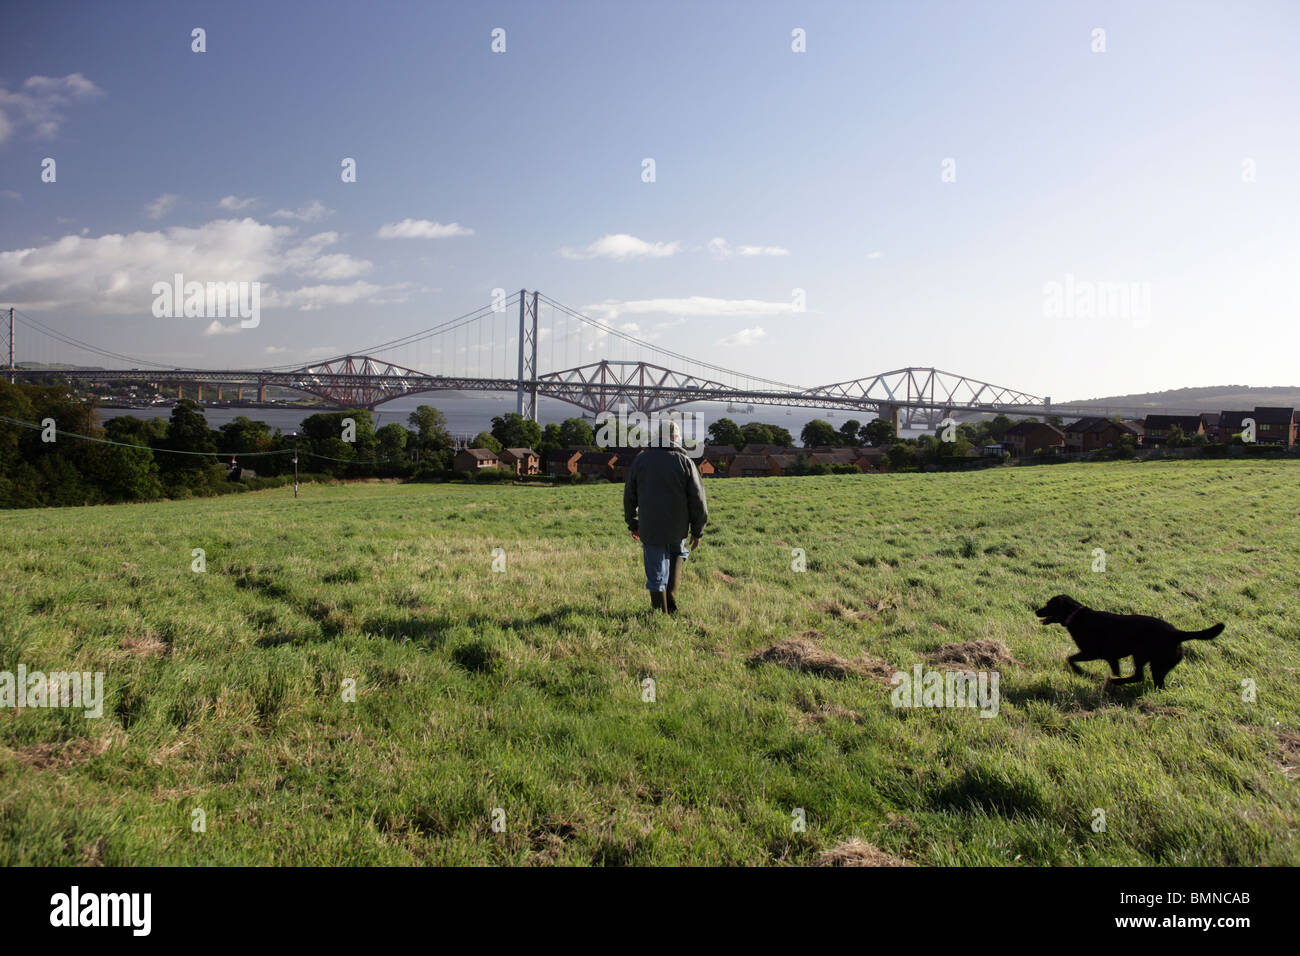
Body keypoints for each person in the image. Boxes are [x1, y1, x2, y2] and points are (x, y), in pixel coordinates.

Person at [623, 418, 708, 613]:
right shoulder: (685, 462)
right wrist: (697, 531)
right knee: (677, 554)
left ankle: (659, 611)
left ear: (657, 437)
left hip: (649, 527)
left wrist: (633, 523)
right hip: (677, 528)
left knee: (655, 571)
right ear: (676, 438)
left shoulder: (640, 460)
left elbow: (629, 496)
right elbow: (698, 500)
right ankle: (670, 607)